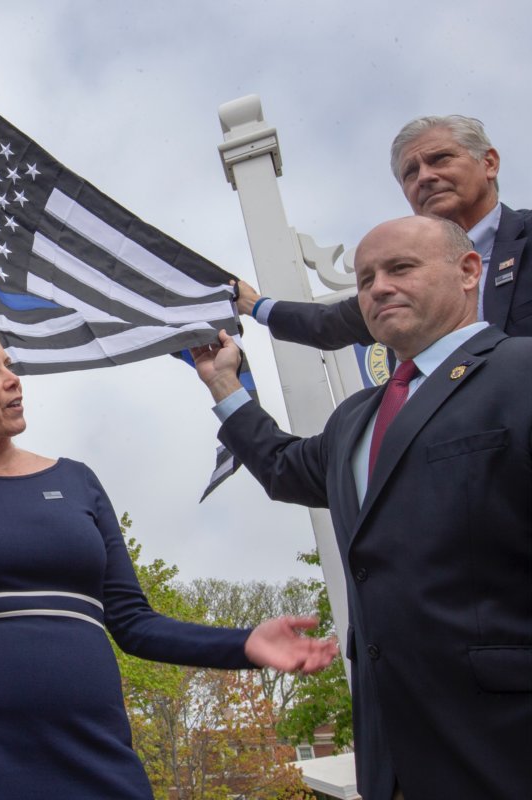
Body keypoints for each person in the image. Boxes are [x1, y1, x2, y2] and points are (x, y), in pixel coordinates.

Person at [0, 319, 337, 799]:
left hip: (96, 750)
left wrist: (244, 643)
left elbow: (134, 624)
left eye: (9, 365)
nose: (12, 380)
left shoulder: (77, 481)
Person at [193, 215, 532, 799]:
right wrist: (226, 387)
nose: (377, 288)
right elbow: (282, 469)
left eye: (400, 268)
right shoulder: (357, 417)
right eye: (366, 278)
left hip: (505, 746)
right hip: (392, 760)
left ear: (469, 270)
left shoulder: (521, 372)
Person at [236, 115, 532, 347]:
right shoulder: (397, 283)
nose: (426, 177)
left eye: (440, 159)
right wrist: (254, 305)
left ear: (489, 163)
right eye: (410, 173)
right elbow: (329, 324)